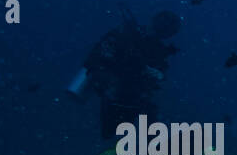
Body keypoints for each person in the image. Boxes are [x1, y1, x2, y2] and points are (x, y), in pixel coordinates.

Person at [73, 9, 181, 138]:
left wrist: (157, 74)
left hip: (131, 96)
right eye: (163, 27)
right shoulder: (127, 34)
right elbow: (96, 60)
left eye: (167, 30)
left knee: (118, 132)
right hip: (115, 91)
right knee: (110, 133)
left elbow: (159, 74)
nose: (162, 32)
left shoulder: (157, 49)